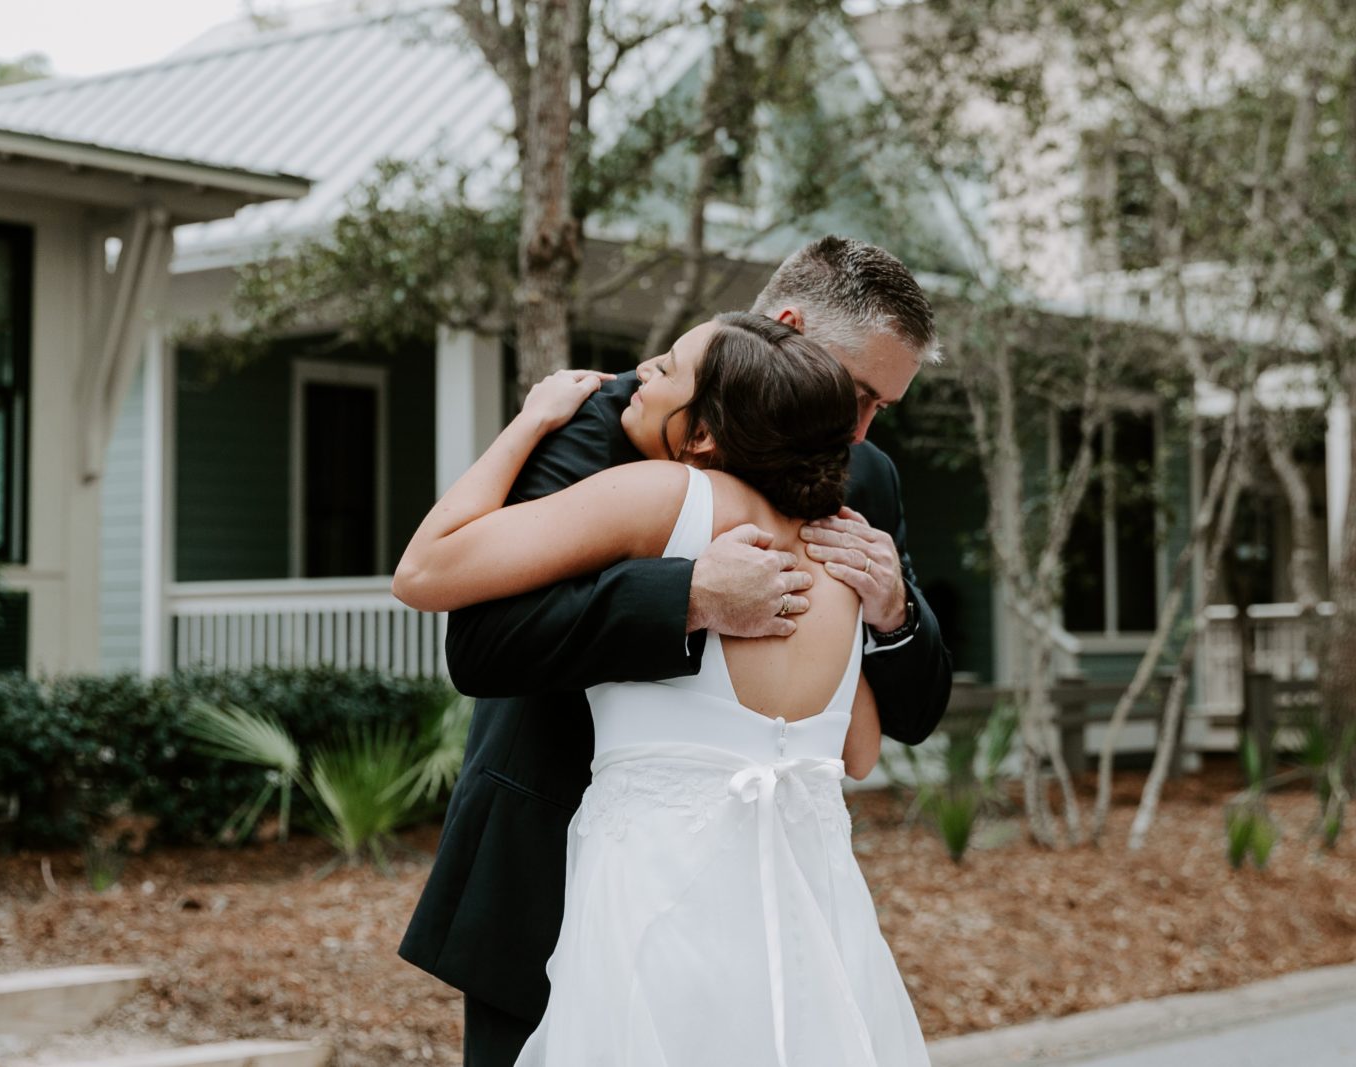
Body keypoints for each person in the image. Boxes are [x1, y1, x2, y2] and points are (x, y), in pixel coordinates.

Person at [395, 236, 951, 1065]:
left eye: (881, 410)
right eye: (862, 392)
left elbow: (899, 718)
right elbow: (485, 645)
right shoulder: (608, 423)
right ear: (789, 328)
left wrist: (897, 610)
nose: (862, 430)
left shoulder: (861, 480)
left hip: (769, 901)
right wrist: (686, 597)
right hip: (550, 867)